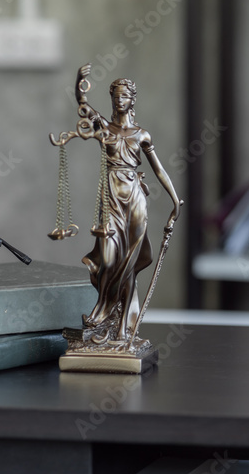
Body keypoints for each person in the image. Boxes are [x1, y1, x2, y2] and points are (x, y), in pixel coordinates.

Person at [75, 66, 183, 345]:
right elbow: (84, 108)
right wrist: (79, 84)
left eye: (124, 96)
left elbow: (158, 170)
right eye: (115, 96)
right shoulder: (104, 128)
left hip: (134, 199)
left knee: (130, 262)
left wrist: (174, 201)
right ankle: (104, 310)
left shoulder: (141, 135)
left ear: (131, 100)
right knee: (109, 259)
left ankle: (124, 328)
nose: (119, 100)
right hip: (110, 197)